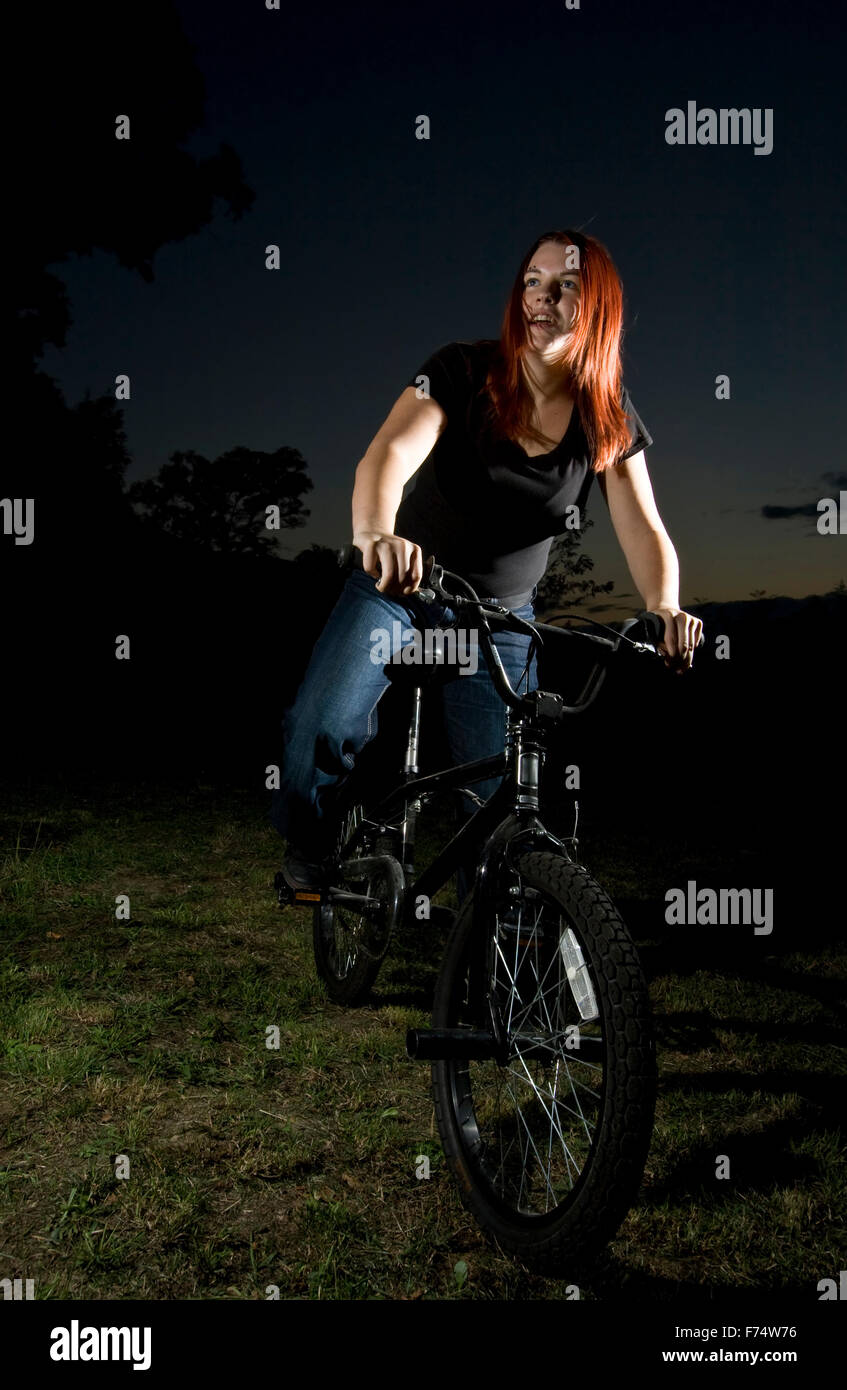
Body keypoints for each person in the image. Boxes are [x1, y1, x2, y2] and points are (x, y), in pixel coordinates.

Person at [270, 227, 703, 896]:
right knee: (321, 724)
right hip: (400, 591)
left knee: (499, 791)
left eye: (565, 287)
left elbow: (643, 526)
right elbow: (386, 455)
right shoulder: (461, 370)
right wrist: (375, 533)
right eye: (532, 281)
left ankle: (499, 932)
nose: (542, 298)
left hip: (500, 618)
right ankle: (312, 842)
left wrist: (665, 606)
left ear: (597, 308)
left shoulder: (603, 414)